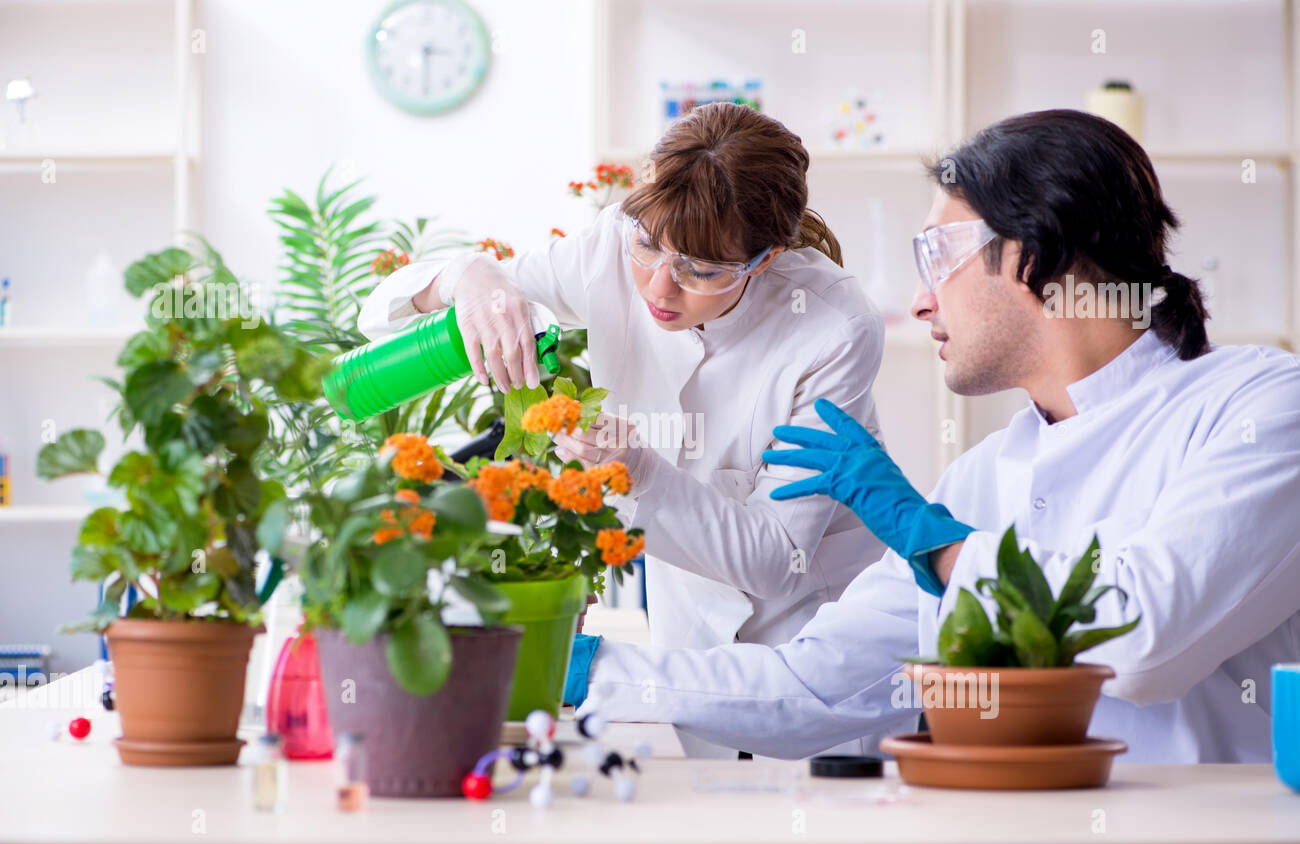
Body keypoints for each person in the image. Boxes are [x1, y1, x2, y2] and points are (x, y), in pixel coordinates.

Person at [565, 109, 1300, 763]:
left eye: (936, 258)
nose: (919, 302)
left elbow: (1145, 640)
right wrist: (572, 668)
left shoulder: (1260, 406)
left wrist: (938, 543)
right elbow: (809, 688)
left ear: (1035, 254)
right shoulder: (981, 481)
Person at [358, 102, 890, 757]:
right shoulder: (614, 244)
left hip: (813, 643)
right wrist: (468, 275)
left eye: (703, 269)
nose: (658, 286)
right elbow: (376, 319)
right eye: (648, 247)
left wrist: (640, 469)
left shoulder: (832, 328)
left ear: (766, 257)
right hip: (690, 651)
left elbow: (779, 561)